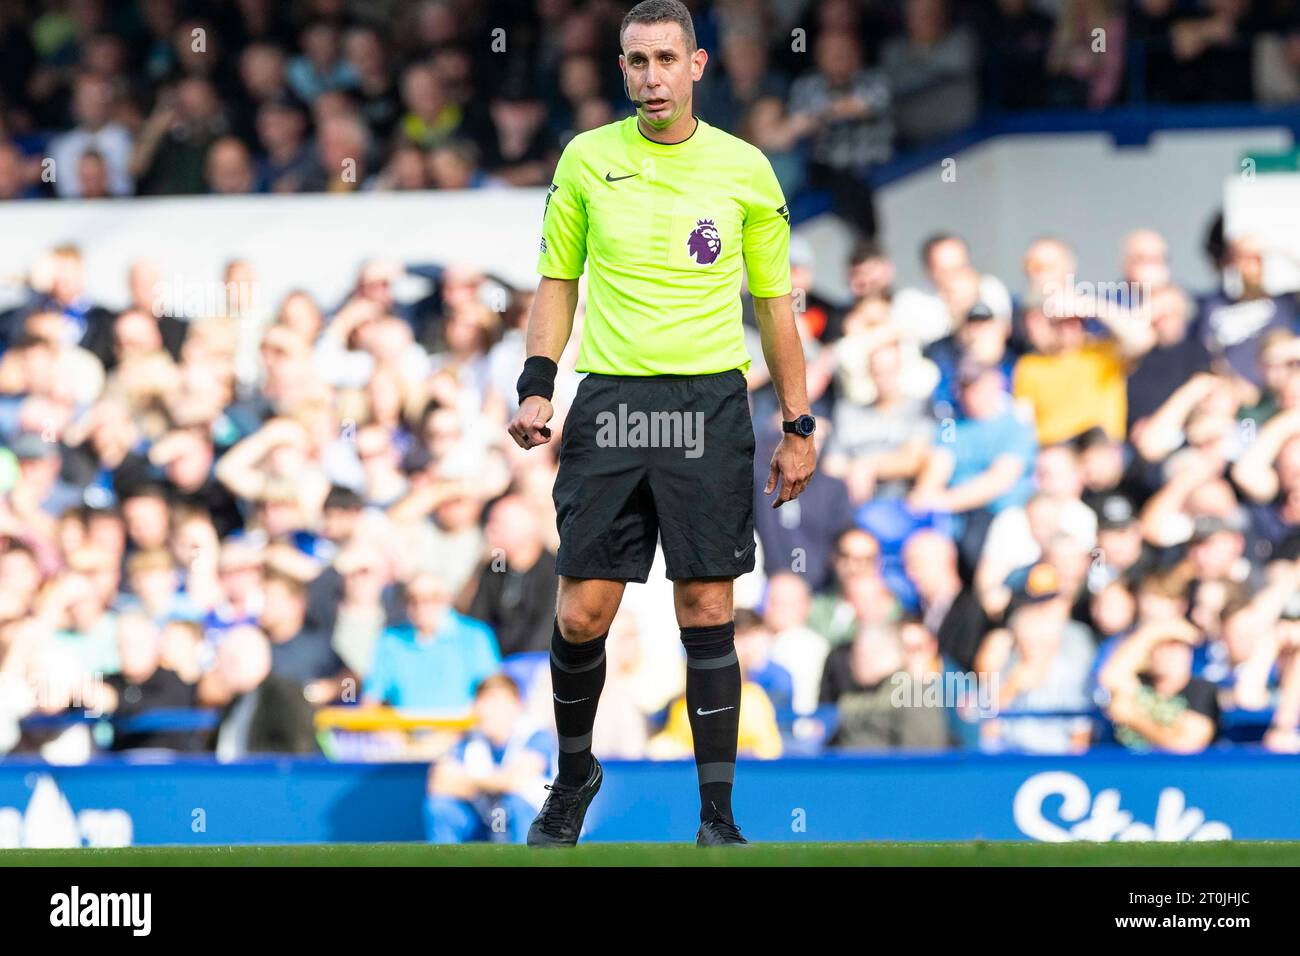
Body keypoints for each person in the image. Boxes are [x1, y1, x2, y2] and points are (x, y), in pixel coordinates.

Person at [506, 0, 814, 848]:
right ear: (623, 68)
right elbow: (556, 281)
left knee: (708, 604)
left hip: (710, 404)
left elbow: (776, 305)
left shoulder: (746, 168)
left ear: (698, 66)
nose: (649, 77)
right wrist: (538, 385)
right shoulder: (586, 159)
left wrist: (800, 423)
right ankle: (575, 778)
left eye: (664, 60)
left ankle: (717, 818)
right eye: (635, 61)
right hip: (611, 403)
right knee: (580, 615)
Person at [425, 674, 553, 844]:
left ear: (516, 704)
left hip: (543, 828)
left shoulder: (536, 734)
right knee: (440, 807)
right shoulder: (471, 740)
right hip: (489, 819)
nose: (486, 710)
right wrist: (495, 782)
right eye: (482, 701)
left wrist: (466, 781)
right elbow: (438, 783)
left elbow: (515, 781)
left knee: (515, 803)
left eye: (495, 702)